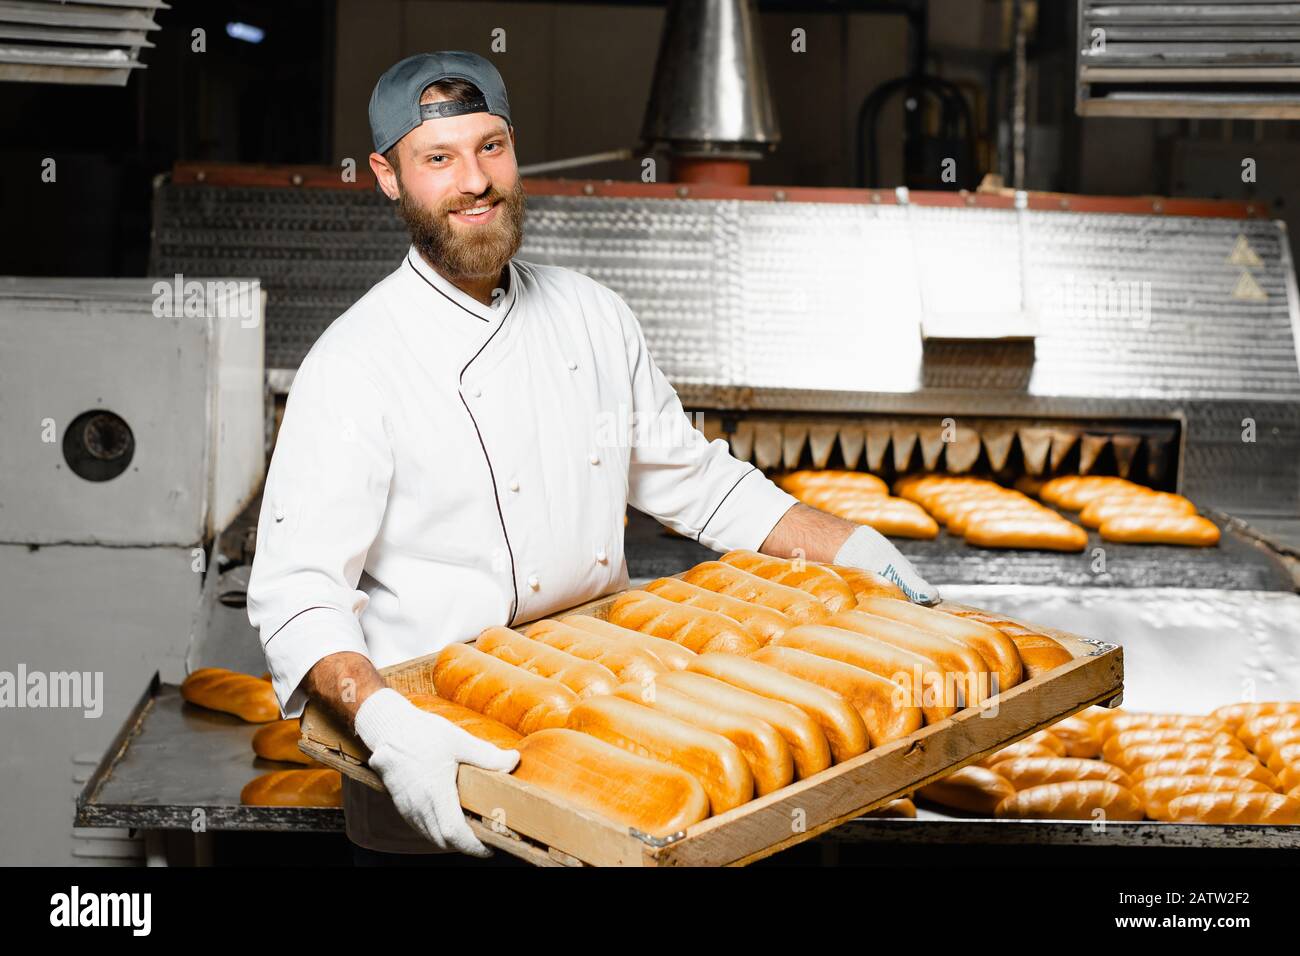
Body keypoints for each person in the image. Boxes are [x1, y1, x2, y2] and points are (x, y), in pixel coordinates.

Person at [247, 50, 936, 862]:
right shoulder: (354, 363)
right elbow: (297, 594)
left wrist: (856, 547)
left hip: (607, 721)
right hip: (442, 749)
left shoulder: (590, 316)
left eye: (491, 147)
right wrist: (389, 726)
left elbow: (703, 486)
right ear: (388, 177)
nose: (475, 180)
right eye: (438, 158)